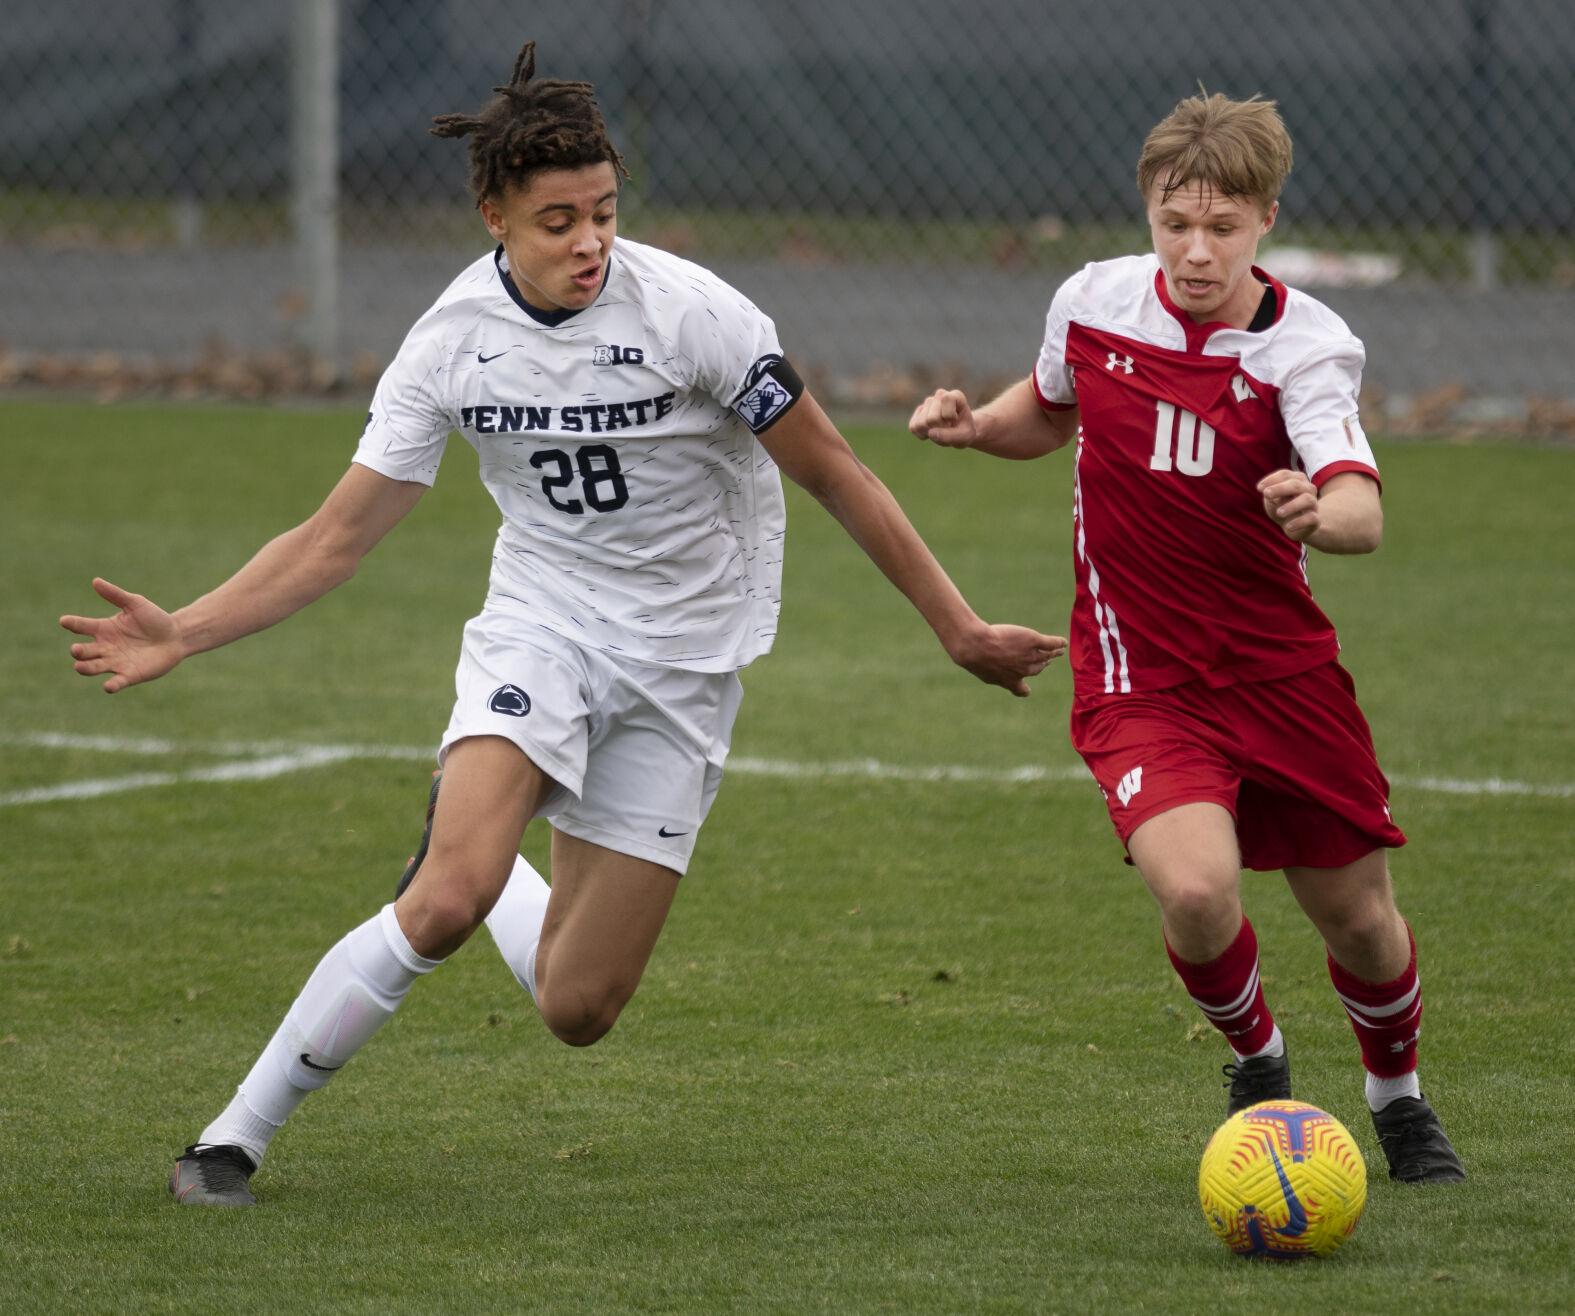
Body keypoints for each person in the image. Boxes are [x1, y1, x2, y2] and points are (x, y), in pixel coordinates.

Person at [61, 41, 1065, 1207]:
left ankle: (479, 855)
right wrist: (185, 629)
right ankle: (232, 1138)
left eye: (603, 213)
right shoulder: (450, 344)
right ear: (494, 216)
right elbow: (336, 536)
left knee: (578, 1005)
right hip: (543, 627)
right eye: (557, 221)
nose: (589, 241)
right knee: (444, 899)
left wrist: (956, 626)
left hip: (685, 659)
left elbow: (837, 470)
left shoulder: (697, 316)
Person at [908, 91, 1464, 1184]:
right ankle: (1258, 1057)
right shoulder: (1093, 301)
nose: (1196, 250)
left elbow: (1359, 505)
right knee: (1198, 891)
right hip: (1140, 675)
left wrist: (1319, 513)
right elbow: (1050, 408)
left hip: (1281, 673)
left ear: (1265, 219)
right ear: (1148, 213)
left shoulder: (1306, 346)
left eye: (1222, 226)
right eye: (1175, 224)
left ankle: (1396, 1096)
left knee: (1360, 921)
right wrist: (979, 429)